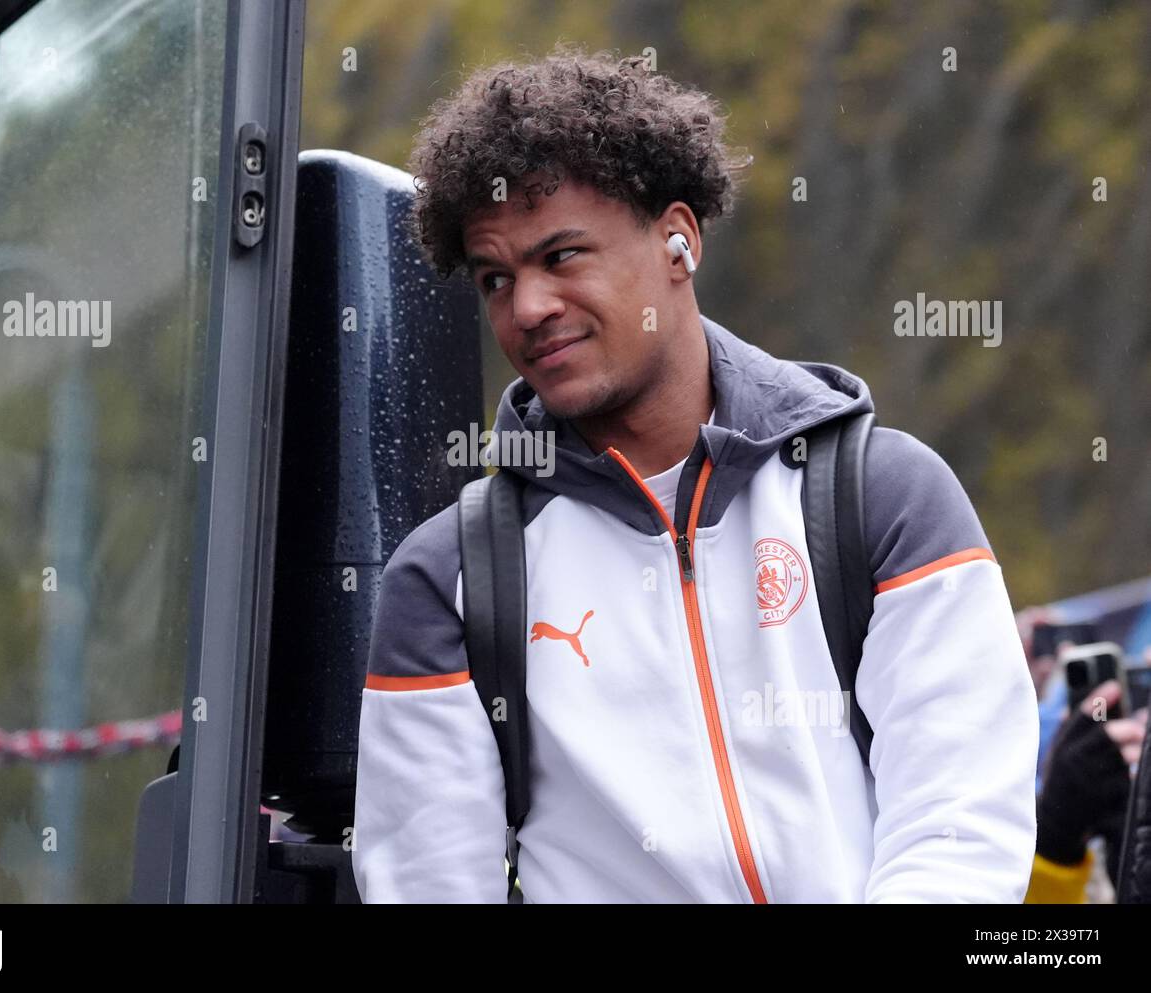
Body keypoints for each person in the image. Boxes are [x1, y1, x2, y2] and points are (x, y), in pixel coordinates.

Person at [352, 45, 1038, 903]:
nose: (526, 307)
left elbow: (959, 828)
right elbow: (428, 886)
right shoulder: (447, 577)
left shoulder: (886, 494)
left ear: (679, 240)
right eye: (497, 278)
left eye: (562, 256)